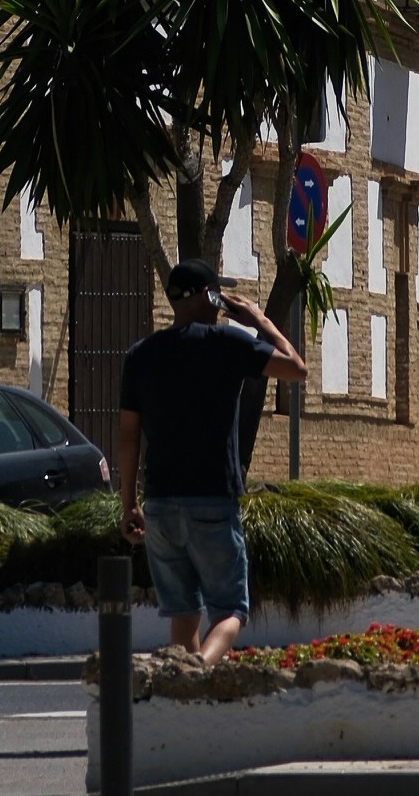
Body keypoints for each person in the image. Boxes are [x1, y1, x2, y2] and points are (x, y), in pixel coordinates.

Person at [116, 257, 307, 666]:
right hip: (213, 500)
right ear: (209, 295)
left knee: (183, 614)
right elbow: (296, 368)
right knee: (230, 610)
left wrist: (129, 502)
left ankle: (184, 689)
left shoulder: (140, 355)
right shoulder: (227, 344)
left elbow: (128, 438)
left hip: (161, 504)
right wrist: (259, 320)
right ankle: (202, 667)